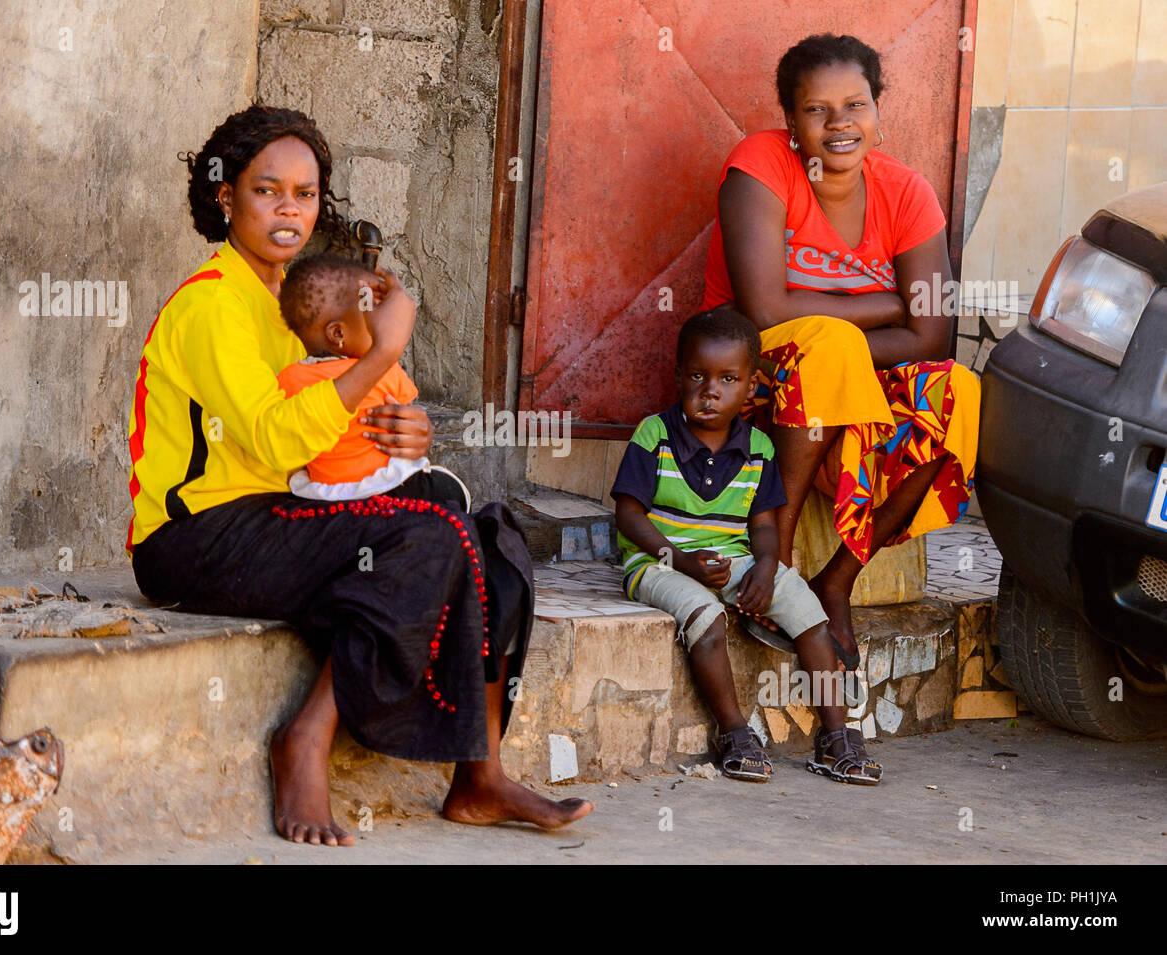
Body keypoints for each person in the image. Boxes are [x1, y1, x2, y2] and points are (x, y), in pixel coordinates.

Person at [126, 105, 593, 846]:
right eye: (266, 190)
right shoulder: (212, 306)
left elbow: (338, 428)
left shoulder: (297, 303)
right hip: (199, 537)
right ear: (225, 197)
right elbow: (278, 439)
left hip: (286, 515)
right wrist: (378, 358)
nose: (288, 209)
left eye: (305, 194)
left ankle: (480, 772)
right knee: (429, 533)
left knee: (487, 529)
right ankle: (306, 737)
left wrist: (404, 435)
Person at [701, 32, 980, 681]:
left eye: (855, 104)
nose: (838, 124)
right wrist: (890, 303)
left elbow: (932, 338)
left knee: (959, 390)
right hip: (753, 393)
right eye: (816, 110)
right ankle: (775, 559)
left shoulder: (908, 195)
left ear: (878, 111)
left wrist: (846, 334)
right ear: (792, 123)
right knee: (829, 344)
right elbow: (766, 313)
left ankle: (835, 580)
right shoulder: (758, 167)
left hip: (847, 406)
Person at [611, 307, 881, 784]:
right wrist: (684, 562)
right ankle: (734, 732)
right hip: (660, 562)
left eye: (727, 379)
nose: (710, 390)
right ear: (678, 377)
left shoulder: (760, 448)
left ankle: (836, 737)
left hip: (732, 558)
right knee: (706, 618)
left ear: (751, 387)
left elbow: (762, 524)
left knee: (806, 609)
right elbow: (628, 515)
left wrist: (765, 565)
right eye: (697, 375)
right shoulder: (654, 435)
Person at [275, 253, 470, 510]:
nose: (384, 319)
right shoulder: (384, 369)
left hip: (323, 497)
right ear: (338, 333)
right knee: (452, 490)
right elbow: (407, 409)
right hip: (393, 489)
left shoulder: (288, 378)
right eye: (374, 309)